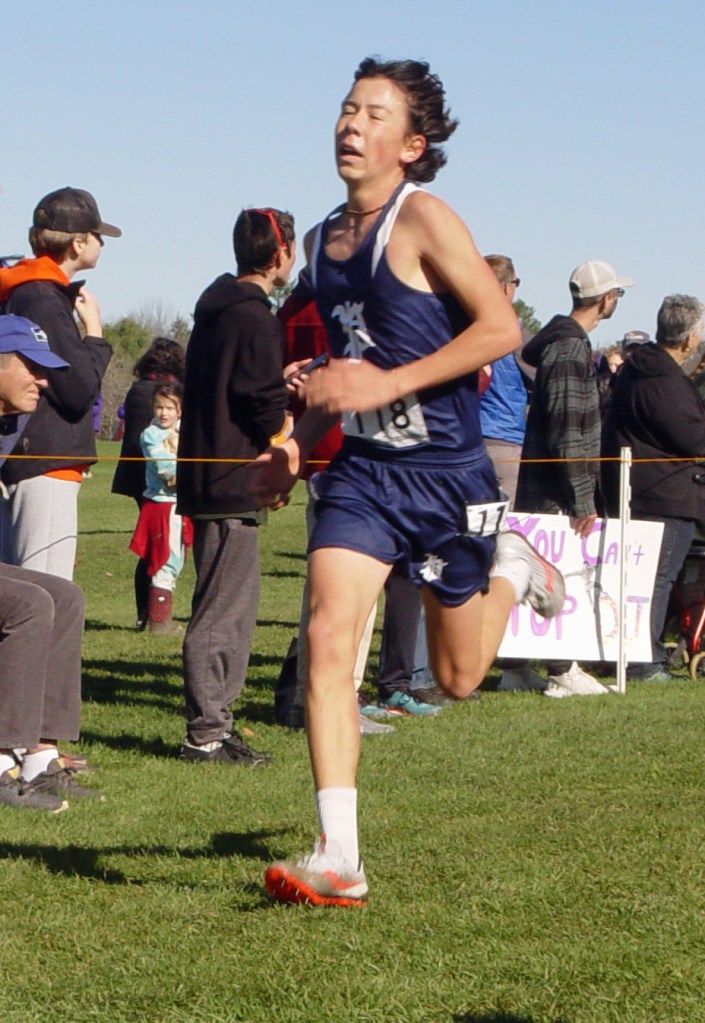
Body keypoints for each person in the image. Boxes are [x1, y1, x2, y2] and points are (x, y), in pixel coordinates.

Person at [250, 57, 565, 906]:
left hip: (447, 478)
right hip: (361, 476)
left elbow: (501, 327)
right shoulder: (320, 240)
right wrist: (295, 440)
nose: (350, 124)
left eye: (373, 114)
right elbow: (347, 370)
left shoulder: (421, 217)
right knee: (326, 636)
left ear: (411, 145)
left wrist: (383, 385)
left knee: (459, 678)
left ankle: (513, 566)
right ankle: (338, 854)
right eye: (346, 108)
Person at [176, 207, 295, 765]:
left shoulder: (218, 312)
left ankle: (216, 724)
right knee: (223, 612)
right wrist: (286, 433)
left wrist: (279, 379)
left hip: (210, 476)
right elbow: (258, 399)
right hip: (230, 482)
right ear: (280, 253)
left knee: (227, 606)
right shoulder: (254, 317)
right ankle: (206, 733)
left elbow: (240, 384)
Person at [515, 259, 633, 697]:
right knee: (558, 576)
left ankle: (515, 665)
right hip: (557, 491)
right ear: (604, 299)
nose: (617, 300)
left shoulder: (564, 346)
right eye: (617, 294)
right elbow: (568, 432)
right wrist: (582, 499)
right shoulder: (569, 350)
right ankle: (562, 669)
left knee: (535, 574)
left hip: (551, 485)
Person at [0, 314, 102, 811]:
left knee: (64, 595)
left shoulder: (10, 419)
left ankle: (40, 758)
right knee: (27, 605)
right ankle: (1, 764)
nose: (43, 381)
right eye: (32, 368)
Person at [0, 187, 118, 579]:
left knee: (23, 590)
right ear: (78, 242)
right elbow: (78, 390)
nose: (101, 242)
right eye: (97, 235)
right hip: (44, 463)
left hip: (29, 457)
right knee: (45, 590)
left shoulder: (27, 289)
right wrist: (95, 333)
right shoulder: (42, 296)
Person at [602, 295, 705, 682]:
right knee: (656, 580)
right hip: (665, 494)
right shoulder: (664, 380)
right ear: (689, 338)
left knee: (648, 579)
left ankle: (643, 653)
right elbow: (693, 437)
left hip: (641, 489)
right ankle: (645, 661)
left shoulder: (638, 369)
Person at [112, 337, 186, 628]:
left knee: (154, 546)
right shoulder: (167, 393)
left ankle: (146, 611)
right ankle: (152, 612)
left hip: (136, 477)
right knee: (160, 545)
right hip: (157, 481)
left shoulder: (138, 388)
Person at [129, 382, 192, 633]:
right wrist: (194, 474)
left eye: (170, 407)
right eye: (159, 407)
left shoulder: (183, 431)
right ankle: (159, 621)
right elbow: (166, 470)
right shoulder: (151, 435)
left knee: (176, 557)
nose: (163, 413)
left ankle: (157, 618)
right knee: (165, 559)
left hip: (178, 504)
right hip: (162, 505)